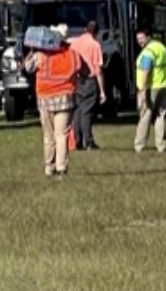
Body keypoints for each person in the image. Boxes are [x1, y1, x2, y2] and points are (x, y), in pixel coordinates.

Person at [24, 25, 80, 177]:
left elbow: (27, 68)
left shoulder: (41, 56)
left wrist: (31, 51)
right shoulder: (73, 54)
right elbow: (82, 70)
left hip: (45, 99)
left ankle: (49, 167)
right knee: (61, 134)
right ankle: (62, 167)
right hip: (66, 99)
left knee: (48, 136)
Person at [133, 28, 166, 154]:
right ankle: (161, 145)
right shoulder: (161, 47)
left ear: (148, 37)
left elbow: (145, 70)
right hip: (164, 85)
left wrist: (143, 89)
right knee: (161, 115)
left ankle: (139, 145)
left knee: (145, 115)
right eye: (138, 39)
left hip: (151, 86)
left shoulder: (148, 52)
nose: (139, 41)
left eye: (141, 38)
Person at [68, 20, 105, 151]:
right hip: (89, 80)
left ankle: (77, 140)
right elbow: (98, 70)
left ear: (85, 29)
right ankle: (88, 141)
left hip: (76, 79)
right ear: (96, 32)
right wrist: (102, 91)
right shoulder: (95, 45)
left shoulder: (74, 43)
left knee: (77, 110)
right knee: (87, 111)